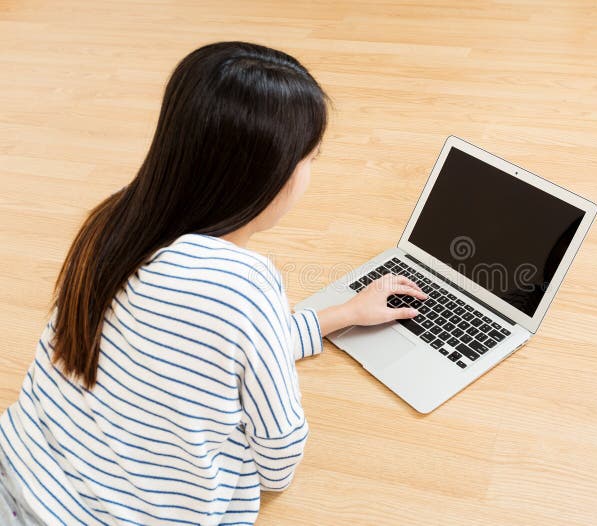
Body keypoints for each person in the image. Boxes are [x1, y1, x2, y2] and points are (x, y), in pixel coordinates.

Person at [0, 41, 427, 525]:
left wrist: (339, 316)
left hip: (15, 468)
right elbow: (279, 461)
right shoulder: (244, 285)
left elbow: (209, 348)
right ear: (270, 174)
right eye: (310, 158)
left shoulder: (116, 221)